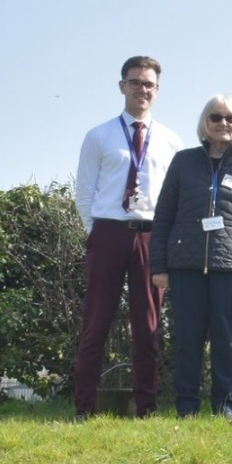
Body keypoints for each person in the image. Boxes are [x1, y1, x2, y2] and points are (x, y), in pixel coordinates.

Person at [73, 56, 183, 419]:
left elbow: (173, 198)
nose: (142, 89)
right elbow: (85, 192)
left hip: (151, 236)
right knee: (96, 325)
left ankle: (146, 409)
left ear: (158, 90)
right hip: (108, 233)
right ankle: (84, 408)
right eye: (135, 82)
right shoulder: (99, 135)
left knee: (148, 329)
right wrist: (97, 233)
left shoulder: (170, 140)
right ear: (122, 86)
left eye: (149, 83)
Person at [150, 95, 232, 420]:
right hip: (185, 266)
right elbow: (163, 216)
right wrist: (158, 266)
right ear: (205, 122)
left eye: (230, 118)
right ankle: (186, 408)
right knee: (187, 340)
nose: (223, 124)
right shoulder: (183, 162)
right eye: (216, 117)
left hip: (230, 270)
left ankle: (226, 407)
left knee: (228, 341)